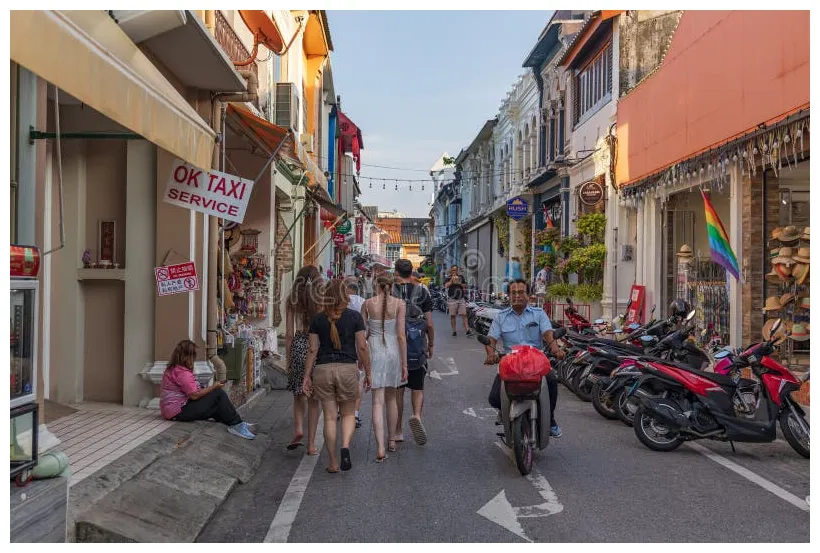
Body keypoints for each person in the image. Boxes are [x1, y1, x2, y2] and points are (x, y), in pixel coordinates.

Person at [303, 279, 372, 473]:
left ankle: (333, 462)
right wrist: (368, 372)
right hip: (347, 369)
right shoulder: (355, 317)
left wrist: (306, 376)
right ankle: (345, 446)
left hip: (323, 370)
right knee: (348, 414)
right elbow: (362, 347)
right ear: (345, 295)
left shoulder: (317, 319)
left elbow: (312, 350)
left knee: (330, 418)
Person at [483, 279, 565, 438]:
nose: (517, 296)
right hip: (510, 363)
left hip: (536, 362)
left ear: (528, 295)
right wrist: (491, 354)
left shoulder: (538, 314)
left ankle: (550, 420)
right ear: (508, 296)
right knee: (494, 398)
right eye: (513, 293)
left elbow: (548, 334)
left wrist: (555, 349)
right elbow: (491, 339)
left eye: (521, 292)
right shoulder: (501, 317)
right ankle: (503, 410)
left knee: (551, 381)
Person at [160, 340, 256, 439]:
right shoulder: (182, 373)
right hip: (177, 411)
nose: (195, 359)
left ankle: (237, 423)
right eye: (194, 356)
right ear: (187, 357)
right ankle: (237, 424)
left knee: (216, 405)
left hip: (173, 409)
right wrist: (214, 386)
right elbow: (194, 395)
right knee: (218, 394)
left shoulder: (174, 369)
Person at [362, 274, 408, 461]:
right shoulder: (400, 304)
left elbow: (363, 335)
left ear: (376, 285)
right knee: (391, 398)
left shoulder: (367, 304)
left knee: (377, 401)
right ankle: (392, 440)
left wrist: (362, 359)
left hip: (374, 350)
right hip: (393, 351)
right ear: (391, 286)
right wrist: (404, 364)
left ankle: (380, 447)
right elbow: (401, 336)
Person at [393, 259, 435, 446]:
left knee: (398, 390)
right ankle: (417, 415)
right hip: (417, 345)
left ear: (396, 272)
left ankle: (397, 430)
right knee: (417, 387)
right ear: (412, 272)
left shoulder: (390, 291)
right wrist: (430, 344)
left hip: (396, 345)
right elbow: (430, 324)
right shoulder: (423, 291)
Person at [284, 266, 323, 454]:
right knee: (313, 399)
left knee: (298, 394)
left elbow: (288, 334)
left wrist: (288, 359)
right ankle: (311, 444)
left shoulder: (292, 300)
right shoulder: (322, 300)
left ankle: (299, 429)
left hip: (298, 346)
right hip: (316, 348)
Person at [345, 278, 367, 428]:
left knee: (344, 378)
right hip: (358, 341)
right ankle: (356, 414)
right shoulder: (363, 302)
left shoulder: (340, 301)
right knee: (358, 379)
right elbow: (366, 325)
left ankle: (341, 410)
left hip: (342, 344)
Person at [444, 265, 471, 337]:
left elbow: (465, 285)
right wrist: (451, 280)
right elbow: (446, 286)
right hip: (452, 299)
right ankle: (454, 331)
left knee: (464, 314)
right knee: (453, 315)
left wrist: (460, 283)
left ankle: (467, 330)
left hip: (461, 298)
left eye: (455, 270)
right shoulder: (448, 277)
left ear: (457, 270)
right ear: (451, 270)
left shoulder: (461, 277)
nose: (454, 271)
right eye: (453, 270)